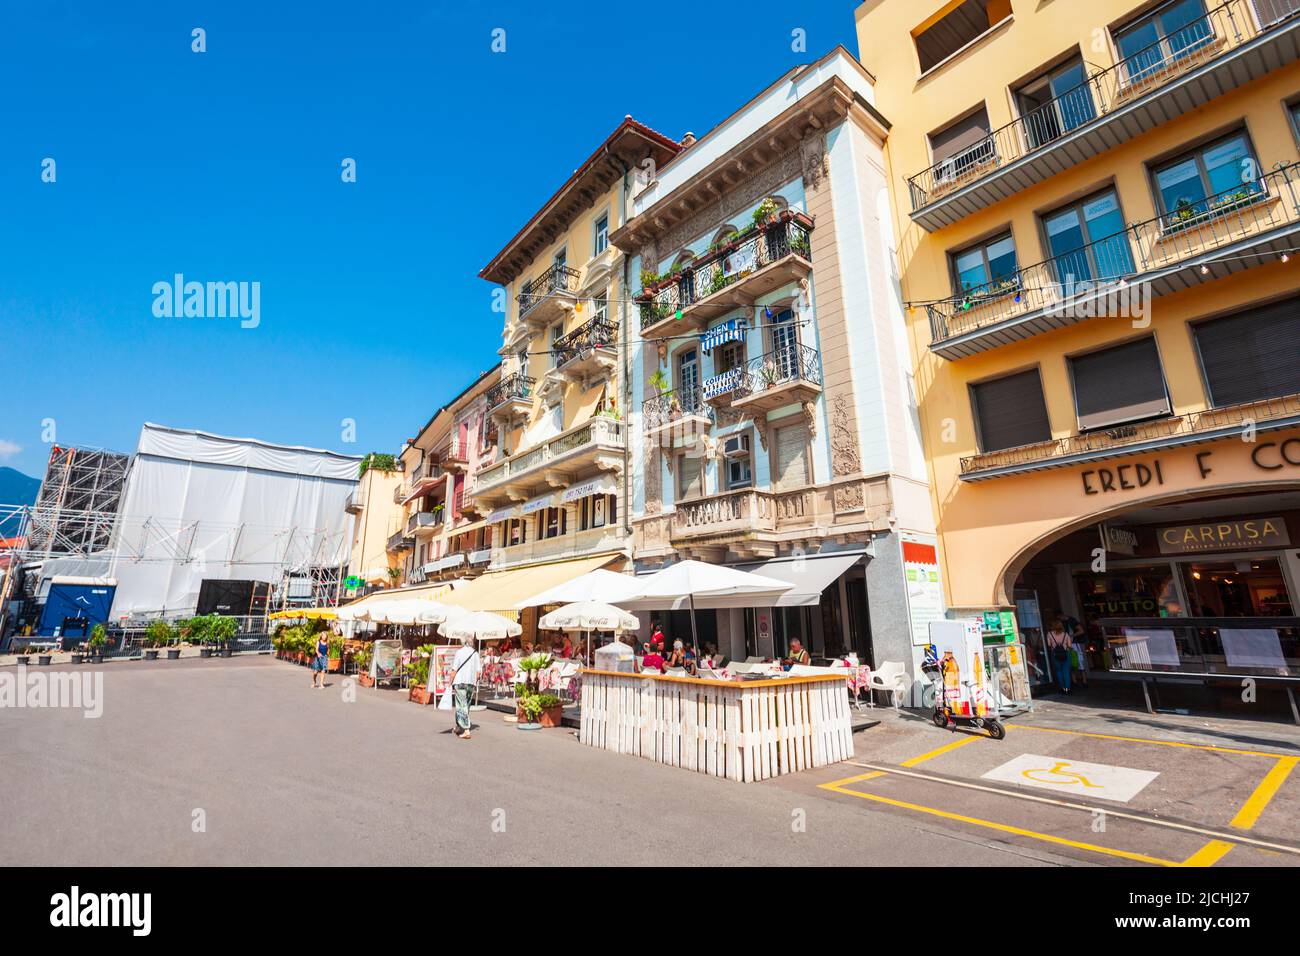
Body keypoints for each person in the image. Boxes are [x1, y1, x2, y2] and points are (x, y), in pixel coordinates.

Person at [449, 635, 481, 739]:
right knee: (465, 705)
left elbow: (454, 669)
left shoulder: (459, 652)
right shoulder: (475, 654)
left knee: (461, 705)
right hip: (470, 683)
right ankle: (459, 726)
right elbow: (478, 672)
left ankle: (466, 730)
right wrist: (474, 682)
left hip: (460, 682)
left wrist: (450, 682)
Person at [1045, 616, 1073, 695]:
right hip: (1065, 653)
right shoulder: (1065, 634)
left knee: (1058, 671)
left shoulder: (1049, 634)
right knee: (1066, 672)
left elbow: (1049, 644)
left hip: (1055, 654)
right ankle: (1068, 688)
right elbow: (1070, 646)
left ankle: (1062, 688)